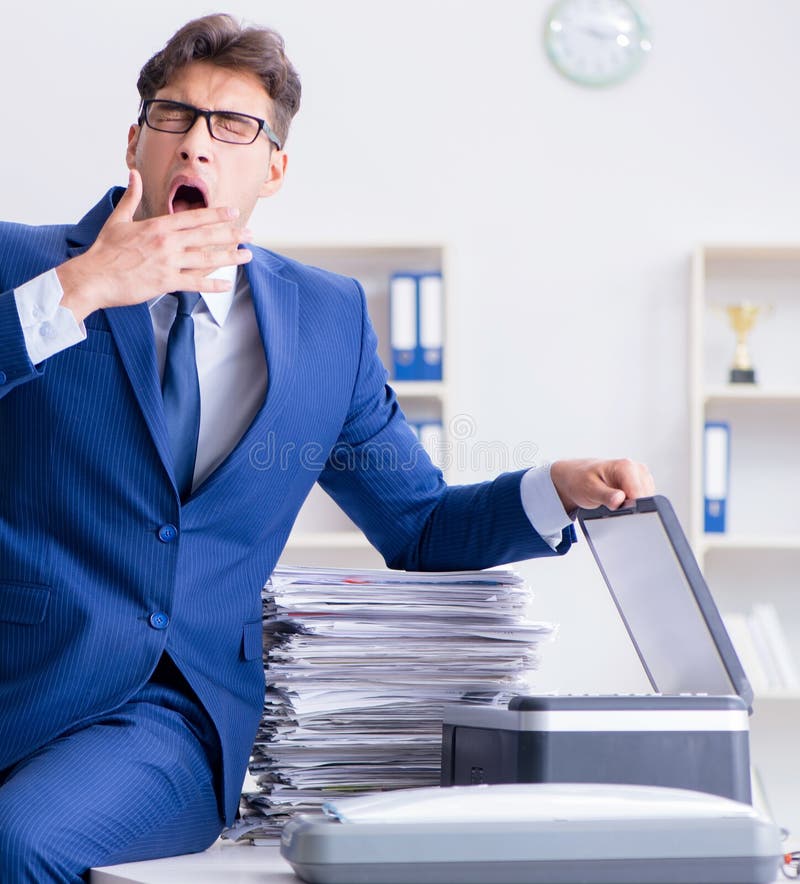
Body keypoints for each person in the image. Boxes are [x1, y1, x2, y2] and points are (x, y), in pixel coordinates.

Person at [0, 13, 654, 881]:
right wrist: (83, 290)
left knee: (23, 841)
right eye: (175, 116)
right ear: (135, 142)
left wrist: (555, 490)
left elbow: (418, 525)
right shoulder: (26, 268)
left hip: (161, 715)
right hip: (19, 673)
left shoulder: (326, 322)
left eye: (234, 126)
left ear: (273, 167)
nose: (198, 143)